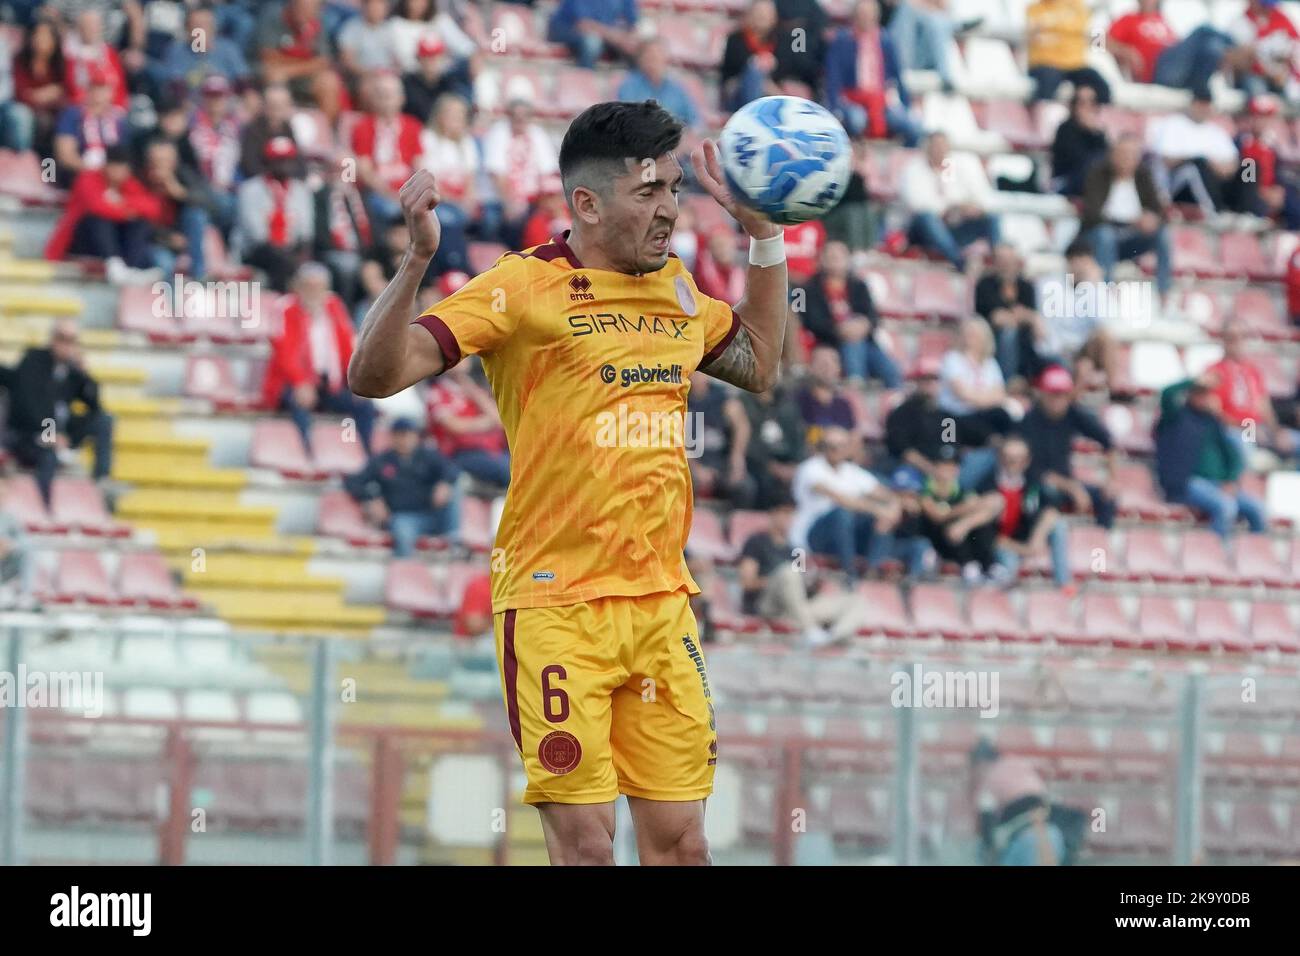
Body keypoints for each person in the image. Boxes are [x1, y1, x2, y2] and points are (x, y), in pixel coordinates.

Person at [347, 100, 792, 865]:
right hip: (556, 604)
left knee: (683, 845)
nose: (671, 210)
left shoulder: (678, 291)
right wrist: (416, 261)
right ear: (586, 203)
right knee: (587, 847)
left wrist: (764, 238)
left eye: (676, 190)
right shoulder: (521, 288)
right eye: (650, 191)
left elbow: (759, 363)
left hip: (660, 606)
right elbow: (374, 374)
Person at [263, 263, 377, 455]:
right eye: (308, 286)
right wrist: (300, 383)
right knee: (300, 402)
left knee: (364, 404)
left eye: (319, 287)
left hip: (327, 384)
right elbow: (284, 353)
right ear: (297, 287)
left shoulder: (334, 306)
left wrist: (356, 381)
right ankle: (307, 455)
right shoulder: (285, 308)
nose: (314, 292)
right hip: (291, 383)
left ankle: (367, 456)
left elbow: (346, 347)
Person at [792, 427, 928, 577]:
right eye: (830, 445)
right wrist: (880, 509)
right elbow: (842, 500)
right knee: (842, 514)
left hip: (848, 536)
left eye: (840, 445)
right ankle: (850, 572)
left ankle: (873, 571)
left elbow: (885, 493)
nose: (835, 450)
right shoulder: (811, 468)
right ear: (823, 446)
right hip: (815, 535)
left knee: (896, 528)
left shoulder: (852, 472)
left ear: (848, 448)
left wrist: (896, 504)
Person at [4, 320, 114, 507]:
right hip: (31, 435)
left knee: (104, 420)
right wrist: (51, 435)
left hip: (59, 432)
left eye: (72, 340)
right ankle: (44, 507)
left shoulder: (72, 372)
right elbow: (30, 406)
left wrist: (84, 375)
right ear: (53, 339)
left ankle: (101, 479)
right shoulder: (34, 360)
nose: (66, 345)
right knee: (48, 456)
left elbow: (94, 404)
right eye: (62, 339)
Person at [1155, 377, 1266, 538]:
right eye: (1199, 394)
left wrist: (1230, 479)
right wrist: (1195, 380)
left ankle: (1255, 556)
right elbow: (1167, 393)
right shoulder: (1176, 417)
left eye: (1206, 395)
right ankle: (1218, 554)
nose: (1204, 399)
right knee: (1226, 506)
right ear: (1190, 395)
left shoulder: (1213, 422)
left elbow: (1234, 457)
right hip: (1187, 482)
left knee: (1257, 509)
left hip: (1218, 484)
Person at [44, 144, 165, 285]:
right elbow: (97, 206)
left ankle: (133, 266)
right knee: (98, 219)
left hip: (113, 240)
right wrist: (126, 211)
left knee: (140, 223)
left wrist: (121, 204)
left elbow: (152, 208)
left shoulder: (128, 183)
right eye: (115, 168)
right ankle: (114, 265)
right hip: (81, 240)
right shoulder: (88, 178)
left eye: (122, 169)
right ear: (106, 166)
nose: (118, 173)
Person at [1014, 364, 1118, 529]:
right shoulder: (1029, 422)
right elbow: (1033, 470)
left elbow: (1108, 441)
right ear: (1043, 394)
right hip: (1036, 486)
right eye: (1053, 394)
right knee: (1048, 494)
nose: (1058, 400)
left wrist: (1111, 479)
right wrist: (1071, 487)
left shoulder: (1072, 413)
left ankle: (1099, 546)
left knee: (1108, 497)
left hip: (1066, 483)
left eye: (1062, 394)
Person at [344, 417, 455, 556]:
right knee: (403, 532)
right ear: (393, 437)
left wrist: (445, 483)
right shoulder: (382, 460)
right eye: (400, 435)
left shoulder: (428, 456)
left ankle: (455, 542)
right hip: (402, 516)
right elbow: (353, 481)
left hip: (432, 514)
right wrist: (371, 497)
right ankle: (406, 572)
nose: (404, 439)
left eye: (409, 434)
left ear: (416, 437)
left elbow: (452, 470)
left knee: (456, 489)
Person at [797, 240, 902, 387]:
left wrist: (864, 325)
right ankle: (855, 391)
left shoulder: (859, 285)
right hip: (829, 343)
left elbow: (873, 316)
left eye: (839, 257)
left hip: (865, 341)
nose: (835, 261)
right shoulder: (808, 288)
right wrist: (839, 330)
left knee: (891, 370)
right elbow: (810, 320)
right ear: (821, 259)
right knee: (853, 347)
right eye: (831, 257)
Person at [1081, 135, 1172, 297]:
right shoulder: (1097, 173)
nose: (1126, 159)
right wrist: (1131, 220)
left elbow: (1158, 211)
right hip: (1100, 235)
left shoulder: (1143, 176)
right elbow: (1092, 214)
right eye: (1122, 153)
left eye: (1132, 154)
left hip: (1131, 238)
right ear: (1112, 154)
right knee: (1105, 235)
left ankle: (1164, 292)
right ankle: (1105, 294)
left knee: (1163, 234)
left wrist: (1152, 219)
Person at [900, 132, 1000, 272]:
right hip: (922, 231)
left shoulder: (951, 168)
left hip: (952, 226)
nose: (940, 151)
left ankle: (999, 261)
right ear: (928, 148)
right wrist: (951, 208)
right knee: (927, 218)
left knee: (991, 216)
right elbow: (917, 204)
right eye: (936, 147)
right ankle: (959, 262)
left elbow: (975, 195)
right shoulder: (914, 169)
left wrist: (971, 207)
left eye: (943, 147)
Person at [825, 0, 919, 146]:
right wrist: (835, 106)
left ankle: (901, 163)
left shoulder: (885, 40)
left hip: (880, 100)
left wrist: (906, 106)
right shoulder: (842, 40)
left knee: (912, 127)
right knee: (857, 120)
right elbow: (833, 76)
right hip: (852, 98)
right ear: (855, 17)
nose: (866, 19)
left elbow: (897, 75)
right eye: (862, 15)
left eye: (870, 15)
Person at [977, 437, 1068, 588]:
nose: (1013, 463)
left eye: (1019, 458)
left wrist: (1037, 538)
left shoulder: (1032, 483)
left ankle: (1064, 584)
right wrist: (1025, 550)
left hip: (1025, 540)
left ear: (1027, 461)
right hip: (1001, 546)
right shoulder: (987, 486)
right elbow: (989, 536)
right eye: (1009, 457)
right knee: (1009, 564)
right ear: (1000, 458)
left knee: (1059, 525)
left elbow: (1051, 511)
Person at [1146, 91, 1250, 219]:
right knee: (1197, 165)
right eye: (1200, 104)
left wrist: (1219, 168)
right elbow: (1166, 161)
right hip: (1180, 183)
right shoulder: (1173, 124)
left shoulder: (1216, 131)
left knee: (1249, 165)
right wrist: (1204, 161)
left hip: (1217, 179)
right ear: (1193, 104)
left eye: (1207, 105)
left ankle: (1246, 213)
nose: (1203, 109)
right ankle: (1216, 213)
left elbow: (1233, 161)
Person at [1203, 319, 1296, 460]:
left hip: (1257, 429)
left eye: (1242, 336)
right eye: (1232, 337)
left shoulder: (1253, 371)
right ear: (1223, 339)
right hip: (1235, 431)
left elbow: (1264, 407)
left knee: (1292, 441)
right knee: (1245, 445)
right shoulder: (1214, 371)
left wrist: (1276, 431)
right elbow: (1215, 412)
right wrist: (1249, 428)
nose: (1237, 342)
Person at [1035, 241, 1121, 390]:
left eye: (1086, 262)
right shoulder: (1049, 285)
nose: (1081, 267)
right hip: (1058, 348)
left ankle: (1114, 390)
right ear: (1069, 262)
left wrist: (1094, 285)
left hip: (1083, 348)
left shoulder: (1094, 287)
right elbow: (1049, 325)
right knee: (1084, 367)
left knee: (1106, 338)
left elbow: (1105, 322)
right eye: (1077, 261)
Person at [481, 94, 560, 248]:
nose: (520, 120)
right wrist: (511, 202)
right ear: (508, 116)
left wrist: (548, 203)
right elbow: (497, 175)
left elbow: (547, 173)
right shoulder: (498, 133)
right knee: (516, 220)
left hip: (535, 198)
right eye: (516, 116)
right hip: (501, 199)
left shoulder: (538, 134)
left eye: (525, 116)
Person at [236, 136, 315, 291]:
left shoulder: (301, 191)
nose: (284, 164)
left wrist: (299, 251)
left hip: (290, 249)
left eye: (287, 159)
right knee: (281, 260)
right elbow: (255, 233)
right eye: (278, 160)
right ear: (268, 162)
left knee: (304, 263)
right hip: (256, 250)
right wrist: (282, 250)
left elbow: (306, 230)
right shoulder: (250, 189)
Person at [918, 443, 1003, 584]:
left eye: (952, 466)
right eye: (943, 465)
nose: (948, 470)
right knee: (954, 525)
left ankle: (986, 565)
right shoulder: (925, 488)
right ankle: (969, 564)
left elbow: (994, 503)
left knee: (978, 523)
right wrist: (964, 509)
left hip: (959, 536)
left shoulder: (961, 489)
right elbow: (937, 516)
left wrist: (964, 524)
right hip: (936, 542)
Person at [352, 71, 427, 228]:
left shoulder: (413, 126)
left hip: (408, 192)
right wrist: (391, 195)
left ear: (401, 98)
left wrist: (414, 194)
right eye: (381, 95)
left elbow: (419, 167)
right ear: (374, 99)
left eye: (391, 95)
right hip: (378, 192)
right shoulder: (362, 127)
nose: (386, 100)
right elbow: (366, 172)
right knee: (390, 210)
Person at [425, 357, 512, 487]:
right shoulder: (437, 392)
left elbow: (499, 420)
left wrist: (472, 390)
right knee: (509, 471)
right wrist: (486, 423)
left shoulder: (473, 389)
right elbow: (455, 427)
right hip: (459, 453)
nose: (461, 362)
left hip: (490, 450)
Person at [974, 243, 1047, 383]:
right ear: (995, 262)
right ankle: (1007, 382)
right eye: (1001, 260)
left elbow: (1033, 317)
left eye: (1009, 260)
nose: (1006, 264)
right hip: (992, 344)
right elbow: (996, 318)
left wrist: (1027, 317)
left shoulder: (1026, 286)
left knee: (1055, 359)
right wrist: (1023, 316)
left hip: (1025, 345)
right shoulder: (985, 285)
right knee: (1009, 332)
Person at [939, 318, 1015, 442]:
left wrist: (981, 399)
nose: (970, 338)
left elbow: (1000, 394)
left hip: (983, 413)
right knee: (974, 427)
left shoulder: (990, 363)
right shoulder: (952, 359)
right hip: (956, 415)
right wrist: (987, 398)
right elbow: (963, 394)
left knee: (1004, 416)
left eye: (974, 334)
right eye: (967, 334)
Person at [51, 64, 127, 188]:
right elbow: (65, 155)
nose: (99, 93)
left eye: (104, 88)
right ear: (87, 89)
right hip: (80, 174)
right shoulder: (72, 114)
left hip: (112, 176)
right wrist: (94, 173)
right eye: (95, 87)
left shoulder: (119, 119)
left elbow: (123, 157)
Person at [688, 373, 755, 507]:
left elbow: (742, 426)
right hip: (692, 463)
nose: (697, 376)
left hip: (722, 462)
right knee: (687, 484)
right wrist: (695, 468)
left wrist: (737, 457)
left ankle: (737, 524)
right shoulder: (680, 398)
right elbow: (675, 439)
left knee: (745, 486)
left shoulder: (722, 398)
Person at [1025, 0, 1111, 104]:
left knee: (1101, 87)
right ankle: (1041, 116)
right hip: (1045, 63)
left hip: (1074, 65)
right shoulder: (1036, 9)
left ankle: (1089, 118)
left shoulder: (1078, 7)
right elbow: (1031, 37)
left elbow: (1097, 37)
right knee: (1047, 83)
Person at [5, 19, 67, 155]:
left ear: (54, 39)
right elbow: (20, 94)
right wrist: (47, 94)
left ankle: (51, 168)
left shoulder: (62, 63)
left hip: (54, 117)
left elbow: (66, 93)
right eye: (37, 35)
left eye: (46, 36)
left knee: (61, 118)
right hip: (29, 114)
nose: (40, 40)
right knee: (25, 116)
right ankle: (24, 159)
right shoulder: (19, 61)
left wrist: (42, 95)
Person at [740, 383, 807, 509]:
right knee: (760, 483)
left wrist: (795, 466)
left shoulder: (787, 403)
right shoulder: (744, 402)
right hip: (758, 464)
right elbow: (749, 443)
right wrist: (772, 467)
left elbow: (798, 438)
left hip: (788, 463)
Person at [616, 38, 698, 129]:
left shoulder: (677, 88)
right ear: (640, 60)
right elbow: (626, 121)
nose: (655, 61)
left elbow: (695, 120)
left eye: (659, 56)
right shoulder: (628, 87)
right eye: (650, 56)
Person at [1226, 0, 1300, 97]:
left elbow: (1294, 47)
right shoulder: (1240, 23)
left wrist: (1283, 70)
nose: (1268, 9)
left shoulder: (1281, 18)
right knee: (1257, 91)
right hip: (1253, 77)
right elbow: (1235, 61)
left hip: (1282, 77)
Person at [1049, 86, 1107, 198]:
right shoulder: (1065, 129)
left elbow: (1106, 158)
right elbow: (1076, 160)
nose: (1087, 107)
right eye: (1082, 103)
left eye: (1092, 103)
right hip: (1066, 182)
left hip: (1092, 184)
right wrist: (1089, 131)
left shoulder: (1098, 132)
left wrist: (1094, 133)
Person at [547, 0, 640, 69]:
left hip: (603, 33)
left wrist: (628, 39)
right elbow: (584, 24)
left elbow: (632, 24)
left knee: (638, 47)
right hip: (567, 30)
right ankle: (583, 83)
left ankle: (637, 90)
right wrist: (615, 36)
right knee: (592, 43)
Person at [796, 345, 859, 444]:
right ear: (810, 367)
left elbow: (854, 438)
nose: (827, 367)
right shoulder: (799, 401)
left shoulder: (844, 404)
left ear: (839, 368)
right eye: (821, 363)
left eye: (833, 362)